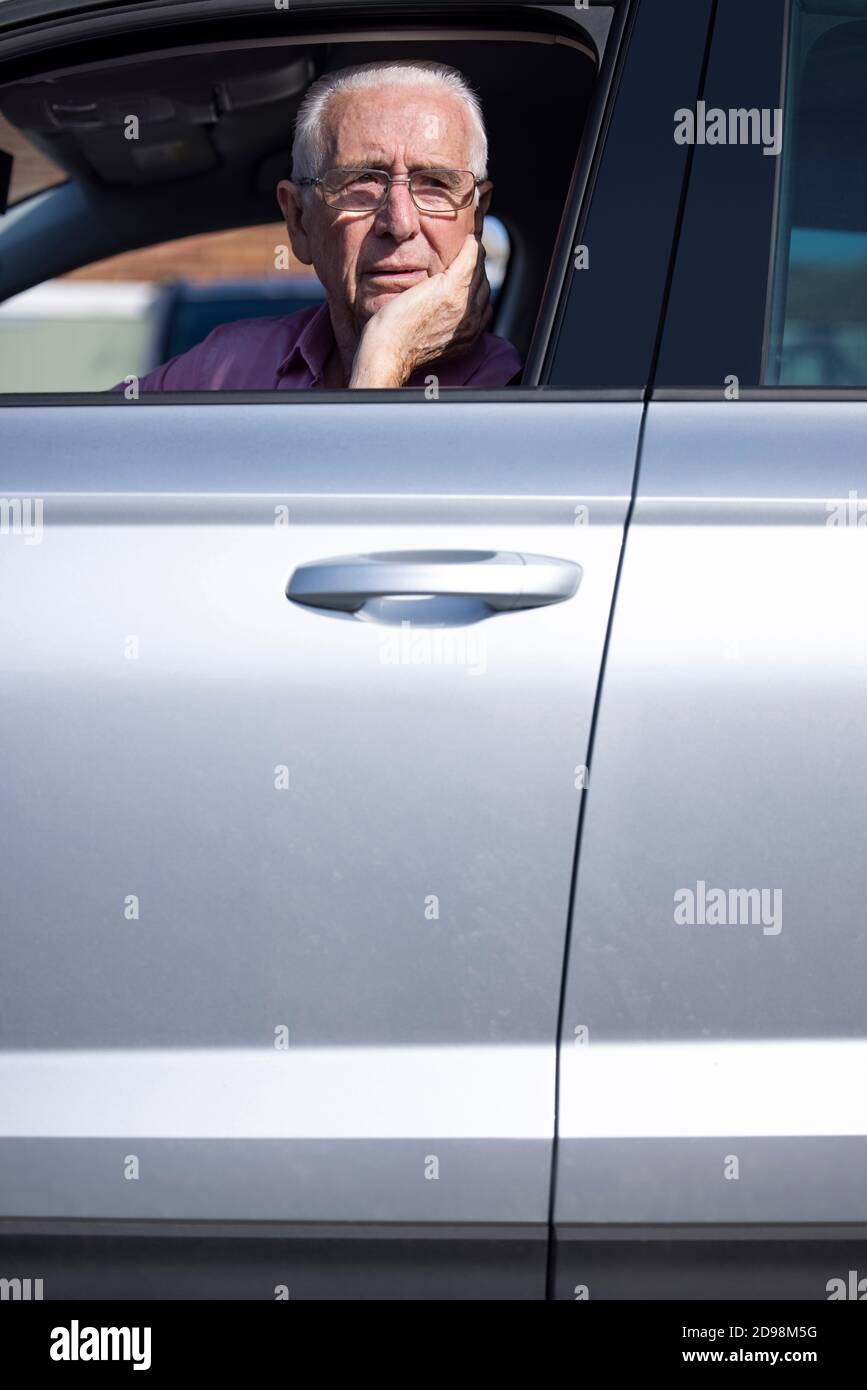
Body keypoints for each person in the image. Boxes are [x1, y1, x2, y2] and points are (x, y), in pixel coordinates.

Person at [123, 60, 521, 392]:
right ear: (298, 221)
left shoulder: (510, 394)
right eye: (361, 182)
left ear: (477, 217)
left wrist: (385, 358)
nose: (399, 223)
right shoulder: (229, 368)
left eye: (434, 183)